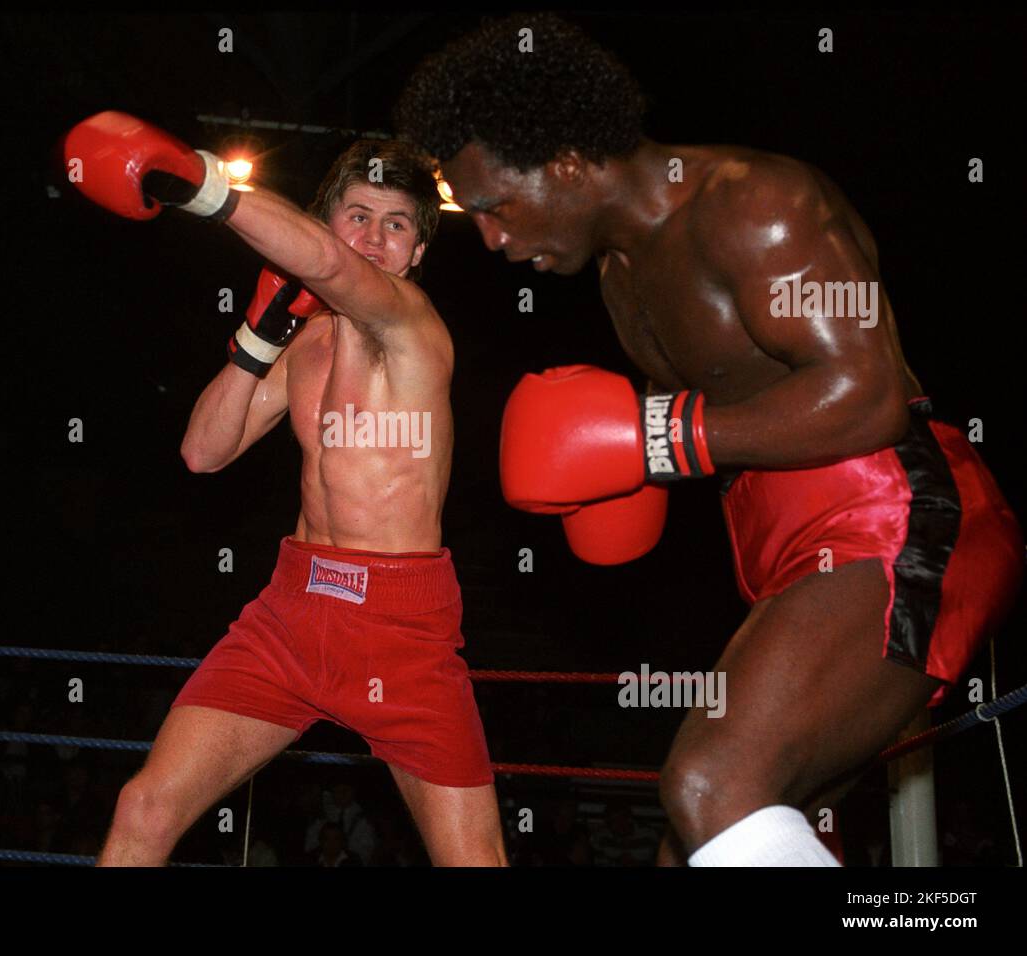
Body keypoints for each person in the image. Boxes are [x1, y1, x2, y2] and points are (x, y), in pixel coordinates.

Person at [396, 13, 1022, 866]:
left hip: (897, 515)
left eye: (496, 208)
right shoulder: (620, 281)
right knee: (697, 845)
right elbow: (705, 439)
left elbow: (869, 394)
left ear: (570, 163)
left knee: (709, 787)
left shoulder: (755, 204)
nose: (495, 240)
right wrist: (623, 476)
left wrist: (649, 441)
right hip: (779, 552)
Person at [63, 112, 505, 866]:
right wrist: (259, 336)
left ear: (420, 251)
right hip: (292, 611)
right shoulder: (306, 343)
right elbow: (203, 452)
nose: (372, 236)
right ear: (328, 218)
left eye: (396, 225)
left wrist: (205, 186)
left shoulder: (411, 325)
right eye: (357, 215)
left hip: (400, 630)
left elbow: (332, 268)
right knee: (145, 806)